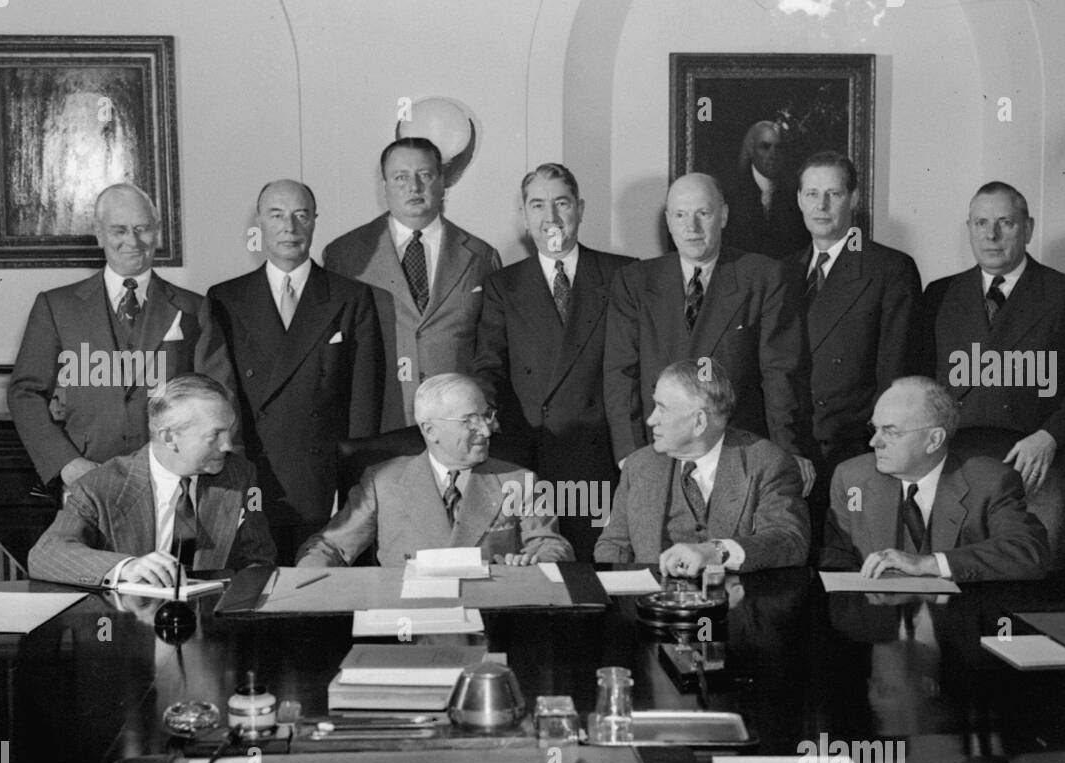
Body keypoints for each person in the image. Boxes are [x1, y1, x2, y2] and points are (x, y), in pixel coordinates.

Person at [923, 181, 1065, 566]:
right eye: (981, 223)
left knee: (1033, 581)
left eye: (1005, 223)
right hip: (957, 465)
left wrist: (1049, 438)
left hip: (1036, 466)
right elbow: (922, 389)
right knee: (950, 581)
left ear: (1027, 228)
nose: (991, 235)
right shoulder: (940, 294)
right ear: (969, 230)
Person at [9, 183, 236, 491]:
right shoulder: (56, 307)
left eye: (142, 229)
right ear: (99, 235)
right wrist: (66, 464)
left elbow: (219, 396)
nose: (132, 240)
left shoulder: (195, 308)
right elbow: (25, 393)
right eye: (119, 230)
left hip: (174, 482)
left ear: (156, 232)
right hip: (86, 481)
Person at [206, 179, 384, 562]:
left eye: (301, 215)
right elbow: (221, 394)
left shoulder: (351, 297)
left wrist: (353, 487)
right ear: (259, 223)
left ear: (315, 222)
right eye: (277, 215)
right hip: (252, 474)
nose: (290, 227)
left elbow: (364, 404)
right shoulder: (226, 298)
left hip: (321, 483)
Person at [602, 172, 813, 495]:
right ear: (668, 221)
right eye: (681, 215)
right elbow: (621, 374)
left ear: (724, 216)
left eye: (703, 213)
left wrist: (787, 449)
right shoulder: (635, 281)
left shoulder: (762, 276)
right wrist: (630, 455)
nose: (692, 227)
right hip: (659, 454)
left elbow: (779, 374)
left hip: (736, 454)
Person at [469, 163, 634, 559]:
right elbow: (488, 366)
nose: (551, 218)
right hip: (528, 454)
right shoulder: (503, 285)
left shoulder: (621, 274)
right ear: (525, 216)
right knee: (529, 566)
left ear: (579, 208)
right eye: (538, 205)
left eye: (561, 203)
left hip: (596, 455)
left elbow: (634, 368)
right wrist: (483, 414)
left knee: (595, 566)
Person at [296, 373, 574, 567]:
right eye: (470, 420)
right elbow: (329, 547)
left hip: (492, 620)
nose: (486, 429)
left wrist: (535, 561)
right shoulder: (382, 483)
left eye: (487, 416)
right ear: (430, 430)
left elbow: (552, 546)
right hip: (408, 623)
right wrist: (306, 584)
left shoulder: (520, 482)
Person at [321, 137, 501, 430]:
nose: (414, 187)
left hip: (457, 426)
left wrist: (482, 411)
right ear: (384, 186)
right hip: (379, 423)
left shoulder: (481, 255)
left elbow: (492, 351)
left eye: (425, 175)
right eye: (400, 177)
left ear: (442, 182)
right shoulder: (346, 256)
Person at [28, 374, 275, 586]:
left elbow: (259, 556)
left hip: (211, 630)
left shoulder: (240, 476)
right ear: (169, 438)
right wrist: (126, 568)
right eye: (215, 435)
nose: (228, 445)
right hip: (127, 630)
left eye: (229, 430)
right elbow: (46, 554)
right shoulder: (98, 487)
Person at [794, 151, 923, 530]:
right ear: (799, 199)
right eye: (812, 193)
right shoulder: (781, 271)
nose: (821, 205)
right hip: (792, 451)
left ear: (854, 199)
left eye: (833, 193)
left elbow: (895, 370)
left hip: (854, 450)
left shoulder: (888, 268)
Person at [820, 376, 1049, 581]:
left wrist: (928, 564)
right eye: (875, 428)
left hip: (961, 620)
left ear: (934, 440)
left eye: (890, 432)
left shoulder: (989, 481)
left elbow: (1028, 552)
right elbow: (836, 559)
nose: (874, 442)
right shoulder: (853, 478)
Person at [595, 359, 809, 576]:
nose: (651, 420)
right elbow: (614, 545)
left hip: (733, 603)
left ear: (699, 422)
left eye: (662, 409)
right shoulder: (639, 465)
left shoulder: (766, 463)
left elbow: (790, 541)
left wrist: (716, 552)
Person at [720, 120, 810, 261]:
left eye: (779, 147)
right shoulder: (730, 194)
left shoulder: (795, 195)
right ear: (751, 149)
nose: (772, 155)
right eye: (765, 146)